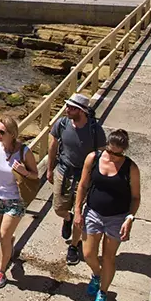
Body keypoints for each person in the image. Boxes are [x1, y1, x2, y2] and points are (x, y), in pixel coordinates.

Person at [74, 129, 141, 301]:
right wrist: (78, 210)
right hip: (93, 213)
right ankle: (97, 274)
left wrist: (130, 218)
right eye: (110, 151)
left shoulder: (130, 168)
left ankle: (103, 291)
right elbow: (83, 185)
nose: (112, 156)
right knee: (88, 254)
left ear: (124, 151)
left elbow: (135, 197)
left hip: (117, 218)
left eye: (117, 154)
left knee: (109, 257)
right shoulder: (93, 158)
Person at [0, 116, 39, 289]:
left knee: (3, 236)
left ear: (12, 134)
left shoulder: (24, 152)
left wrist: (23, 171)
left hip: (15, 199)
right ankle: (9, 242)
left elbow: (35, 176)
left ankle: (1, 271)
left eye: (2, 132)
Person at [47, 93, 106, 265]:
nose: (67, 110)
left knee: (81, 213)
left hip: (85, 177)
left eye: (72, 108)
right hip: (63, 171)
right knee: (58, 208)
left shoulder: (95, 130)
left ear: (81, 111)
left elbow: (101, 154)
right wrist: (50, 169)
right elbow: (52, 145)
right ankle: (67, 218)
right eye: (67, 106)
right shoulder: (62, 123)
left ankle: (73, 245)